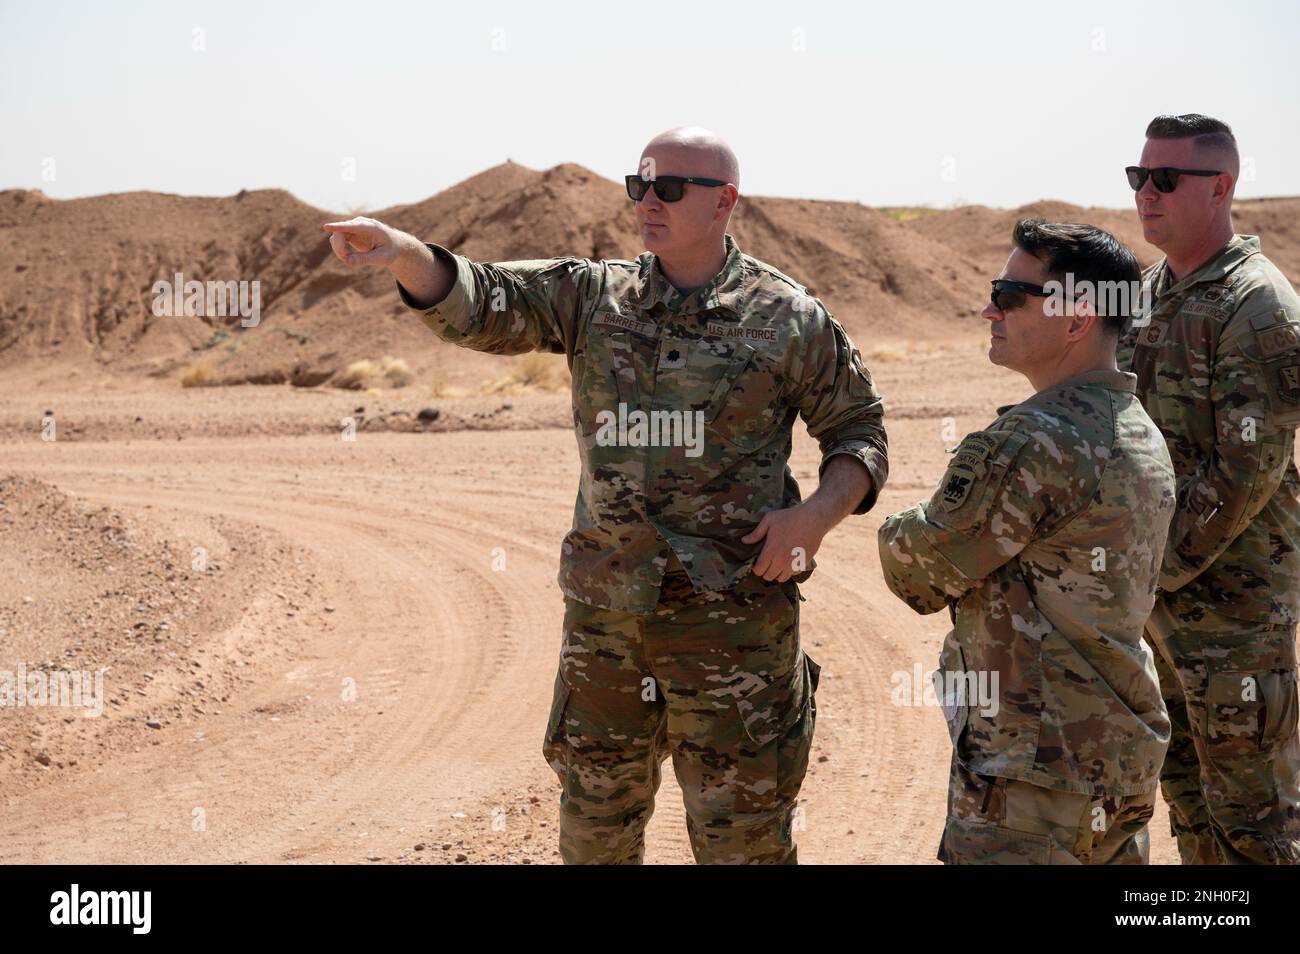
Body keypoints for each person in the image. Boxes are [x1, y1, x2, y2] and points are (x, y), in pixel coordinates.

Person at [323, 126, 888, 864]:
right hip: (606, 626)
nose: (647, 201)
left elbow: (860, 432)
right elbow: (485, 300)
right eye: (639, 185)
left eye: (669, 189)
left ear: (725, 203)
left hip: (735, 628)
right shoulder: (594, 297)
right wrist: (402, 249)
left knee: (743, 841)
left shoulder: (786, 318)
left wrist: (813, 518)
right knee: (594, 834)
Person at [879, 219, 1175, 864]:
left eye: (1012, 296)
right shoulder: (1139, 429)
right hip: (1112, 756)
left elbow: (917, 573)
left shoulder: (1030, 441)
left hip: (1033, 774)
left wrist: (901, 524)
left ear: (1076, 321)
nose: (990, 309)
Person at [1117, 113, 1300, 864]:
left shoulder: (1257, 306)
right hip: (1159, 604)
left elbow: (1242, 474)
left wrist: (1150, 571)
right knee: (1188, 801)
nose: (1146, 194)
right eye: (1139, 178)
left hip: (1235, 614)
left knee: (1254, 821)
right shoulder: (1150, 290)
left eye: (1165, 179)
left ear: (1221, 187)